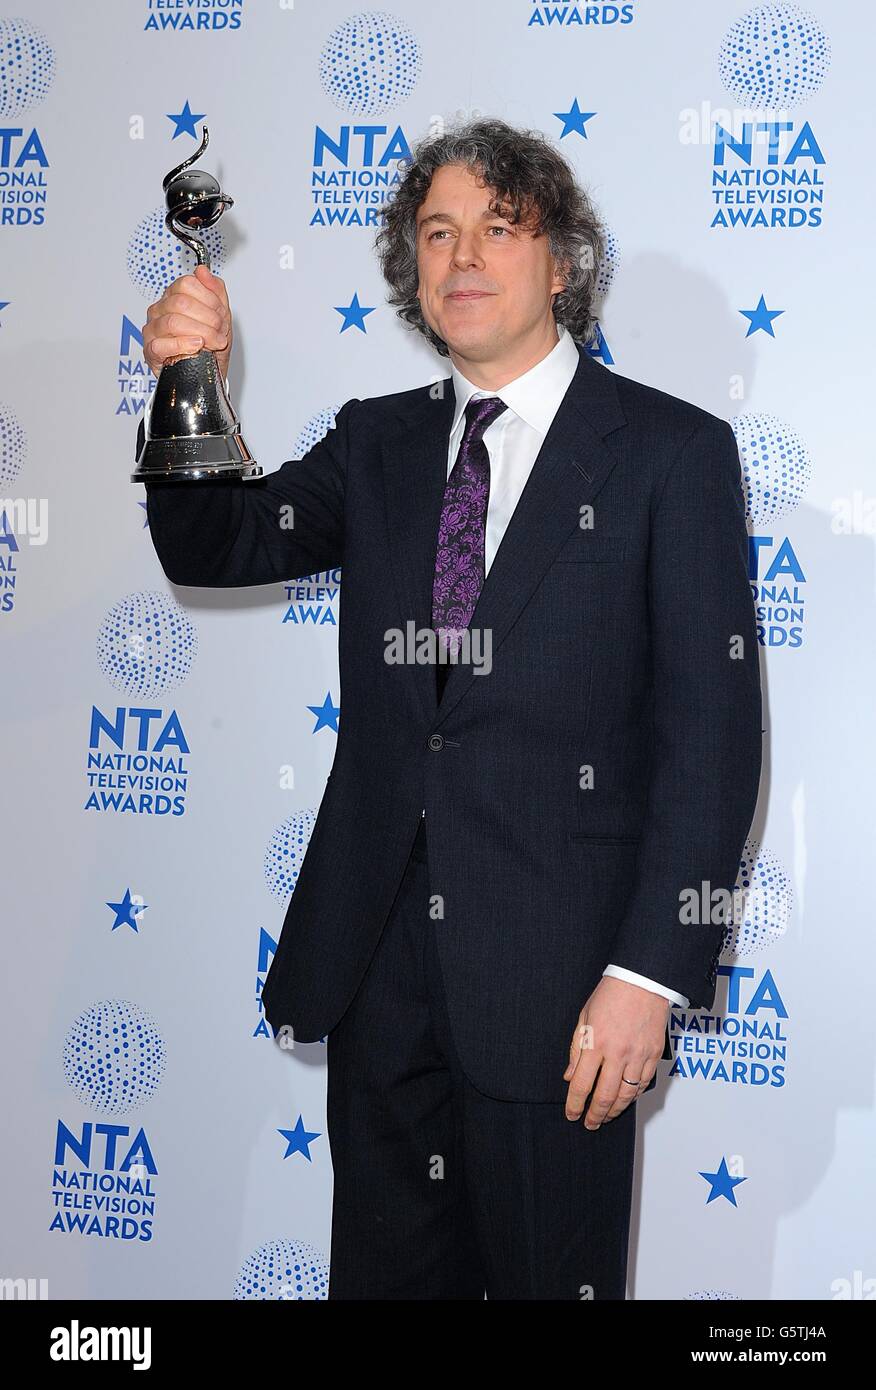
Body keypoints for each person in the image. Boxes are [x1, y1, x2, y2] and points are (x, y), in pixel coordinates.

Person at [139, 118, 762, 1300]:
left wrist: (652, 974)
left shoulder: (670, 453)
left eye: (498, 228)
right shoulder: (378, 441)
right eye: (437, 232)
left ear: (562, 263)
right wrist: (185, 382)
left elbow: (713, 740)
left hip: (567, 988)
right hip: (378, 972)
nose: (461, 257)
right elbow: (212, 543)